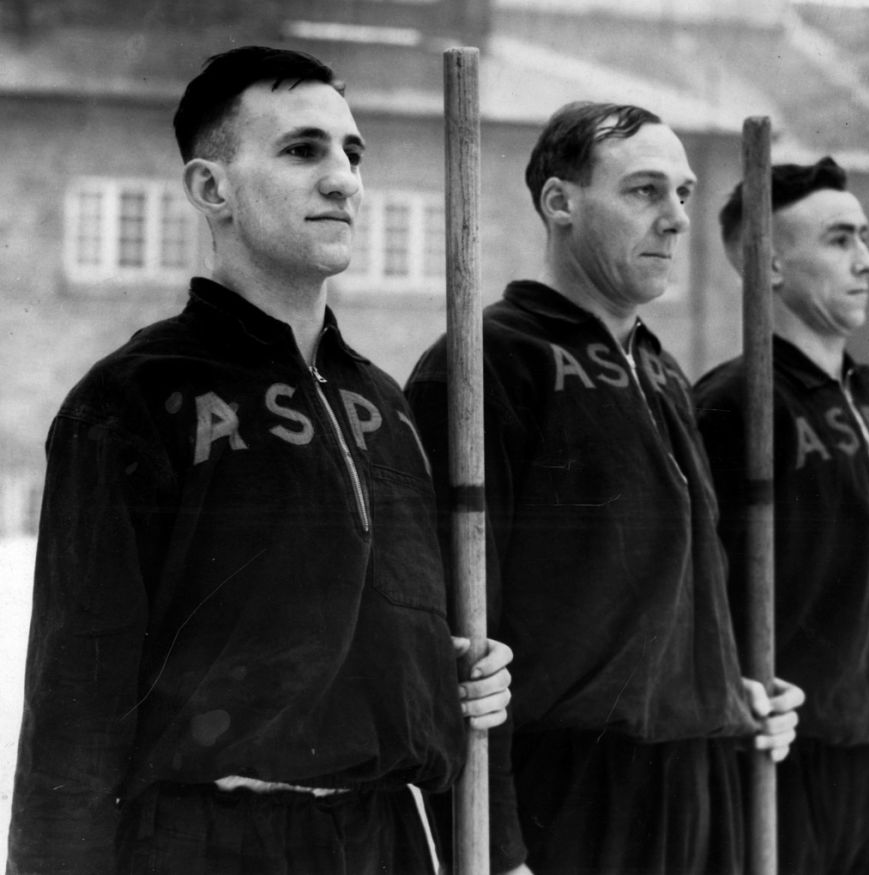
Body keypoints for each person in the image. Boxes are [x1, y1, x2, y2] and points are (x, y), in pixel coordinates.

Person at [7, 46, 513, 875]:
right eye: (301, 149)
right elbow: (75, 704)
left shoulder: (386, 405)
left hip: (386, 841)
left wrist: (437, 666)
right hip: (209, 845)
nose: (344, 179)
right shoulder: (134, 399)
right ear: (211, 189)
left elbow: (360, 623)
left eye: (352, 153)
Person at [406, 101, 804, 875]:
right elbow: (450, 634)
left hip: (694, 780)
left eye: (684, 194)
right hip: (573, 791)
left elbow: (665, 595)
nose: (677, 219)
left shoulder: (660, 369)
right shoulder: (487, 362)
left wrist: (727, 692)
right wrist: (493, 849)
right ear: (560, 203)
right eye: (645, 191)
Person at [694, 158, 869, 875]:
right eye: (840, 240)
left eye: (865, 238)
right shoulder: (733, 404)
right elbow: (700, 602)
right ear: (773, 265)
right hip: (779, 763)